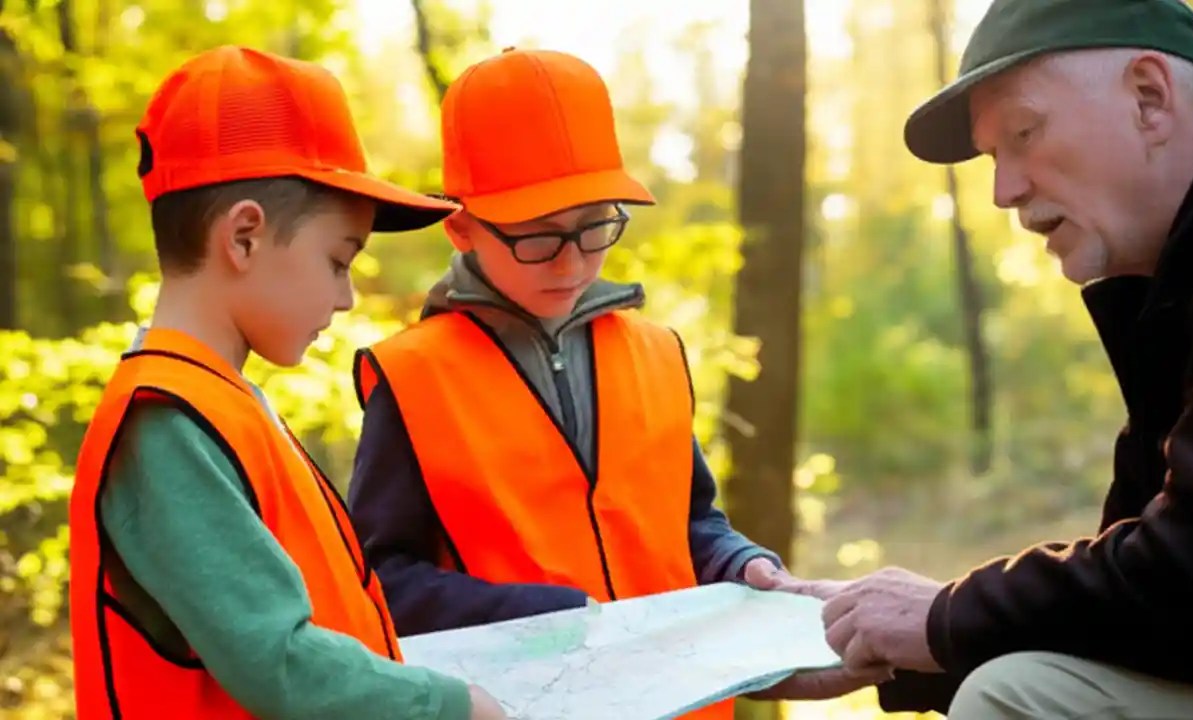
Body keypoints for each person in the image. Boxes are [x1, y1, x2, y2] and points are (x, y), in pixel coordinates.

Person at [762, 0, 1193, 717]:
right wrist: (886, 642)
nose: (1004, 191)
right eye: (992, 157)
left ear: (1149, 97)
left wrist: (944, 618)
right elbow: (1152, 611)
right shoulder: (1192, 281)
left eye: (1024, 133)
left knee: (1018, 698)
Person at [346, 47, 867, 713]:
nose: (572, 261)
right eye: (539, 236)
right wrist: (551, 618)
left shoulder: (654, 354)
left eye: (595, 228)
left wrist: (739, 562)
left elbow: (689, 521)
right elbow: (381, 583)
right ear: (463, 227)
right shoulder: (413, 376)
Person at [67, 45, 507, 720]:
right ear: (243, 237)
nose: (347, 298)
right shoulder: (166, 424)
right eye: (339, 261)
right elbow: (278, 659)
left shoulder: (217, 406)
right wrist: (456, 707)